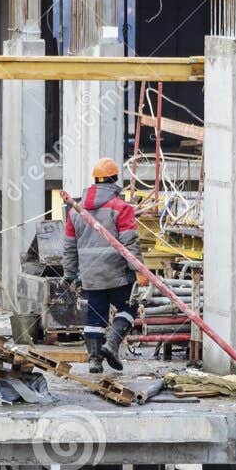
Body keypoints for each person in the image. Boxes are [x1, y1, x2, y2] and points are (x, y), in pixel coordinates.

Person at [63, 157, 143, 374]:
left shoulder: (76, 211)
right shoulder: (120, 207)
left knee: (94, 316)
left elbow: (69, 246)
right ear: (115, 178)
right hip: (117, 273)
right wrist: (138, 269)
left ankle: (95, 361)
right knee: (128, 308)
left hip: (90, 276)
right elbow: (130, 242)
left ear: (95, 180)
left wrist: (69, 273)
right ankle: (112, 345)